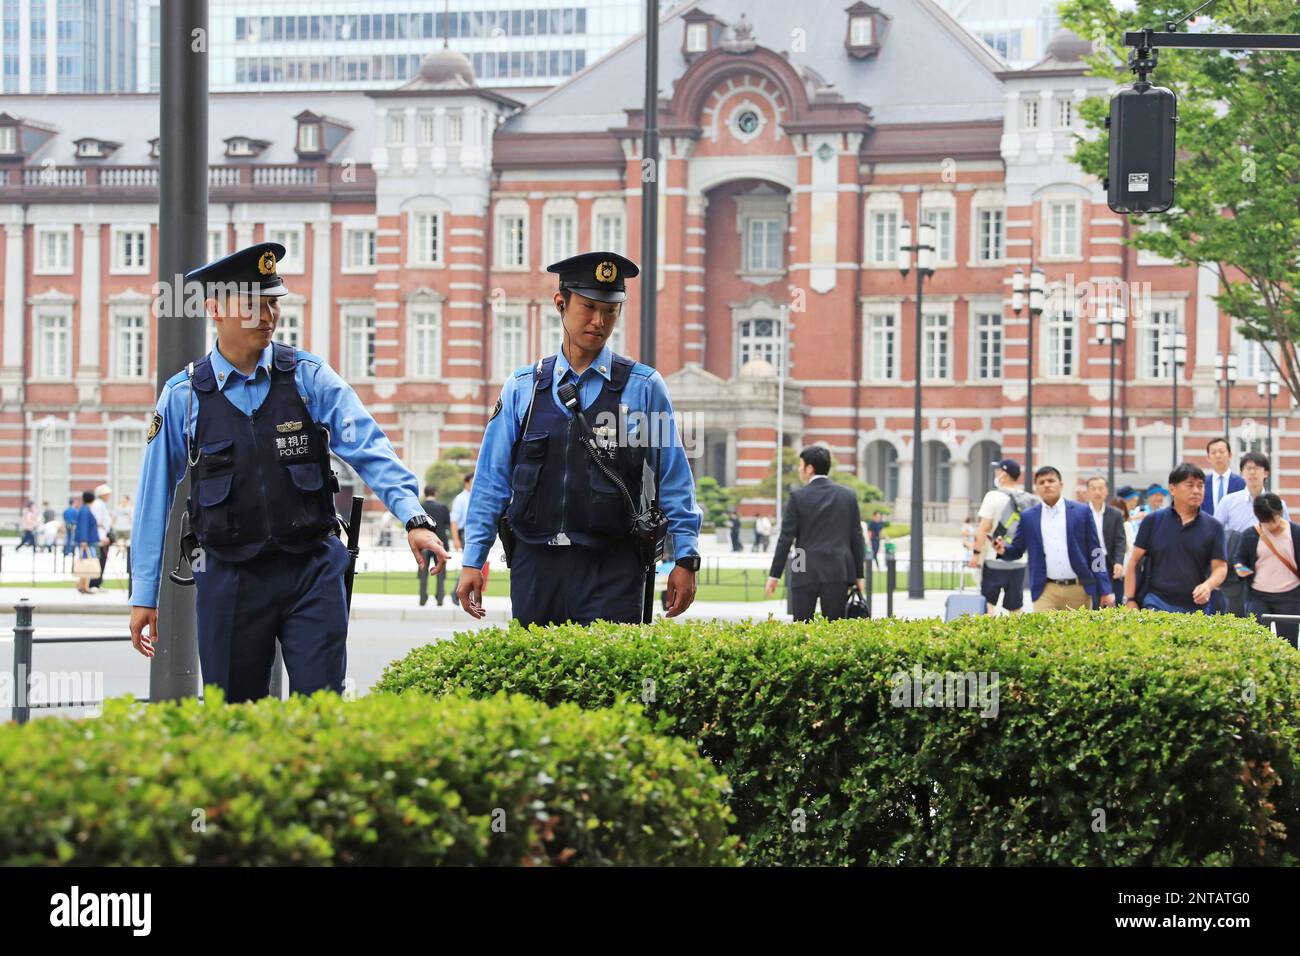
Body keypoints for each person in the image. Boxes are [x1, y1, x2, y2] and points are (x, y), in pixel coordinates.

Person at [127, 242, 447, 702]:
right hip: (230, 576)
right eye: (253, 303)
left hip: (310, 570)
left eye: (273, 301)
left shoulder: (309, 377)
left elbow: (371, 448)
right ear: (214, 307)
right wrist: (144, 594)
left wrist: (414, 518)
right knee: (236, 719)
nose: (267, 314)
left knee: (321, 711)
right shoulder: (183, 396)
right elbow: (153, 497)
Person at [456, 250, 701, 626]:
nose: (599, 321)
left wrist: (685, 558)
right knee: (536, 680)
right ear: (560, 303)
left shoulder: (644, 387)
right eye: (588, 307)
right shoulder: (524, 387)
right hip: (536, 567)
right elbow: (491, 481)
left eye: (610, 310)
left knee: (610, 683)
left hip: (614, 569)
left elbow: (674, 479)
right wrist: (474, 558)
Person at [764, 446, 866, 621]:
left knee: (802, 628)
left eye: (800, 465)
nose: (798, 469)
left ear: (809, 468)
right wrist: (859, 575)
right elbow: (857, 537)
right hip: (838, 568)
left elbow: (786, 538)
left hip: (802, 564)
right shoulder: (848, 496)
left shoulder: (797, 496)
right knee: (835, 630)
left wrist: (774, 575)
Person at [995, 466, 1114, 611]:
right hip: (1045, 590)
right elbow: (1017, 550)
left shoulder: (1081, 512)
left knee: (1078, 633)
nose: (1046, 485)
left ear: (1061, 485)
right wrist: (1002, 550)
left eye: (1051, 480)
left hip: (1078, 589)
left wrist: (1105, 589)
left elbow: (1096, 552)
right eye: (1041, 482)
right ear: (1036, 488)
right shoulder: (1028, 517)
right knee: (1043, 632)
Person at [1124, 462, 1227, 613]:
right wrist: (1130, 600)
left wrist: (1208, 585)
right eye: (1190, 485)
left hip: (1197, 608)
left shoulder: (1213, 527)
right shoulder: (1152, 521)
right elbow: (1133, 561)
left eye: (1200, 485)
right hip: (1156, 602)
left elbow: (1220, 567)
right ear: (1172, 489)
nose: (1196, 491)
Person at [1212, 450, 1286, 617]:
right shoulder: (1229, 502)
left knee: (1261, 618)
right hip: (1236, 570)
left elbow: (1285, 536)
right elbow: (1214, 536)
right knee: (1235, 616)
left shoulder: (1278, 504)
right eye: (1248, 468)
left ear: (1266, 472)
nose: (1252, 472)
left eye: (1257, 468)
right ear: (1242, 472)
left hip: (1267, 570)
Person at [969, 458, 1037, 613]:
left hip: (994, 559)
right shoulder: (1029, 499)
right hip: (1019, 560)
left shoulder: (993, 496)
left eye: (998, 471)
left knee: (988, 603)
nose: (996, 473)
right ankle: (1014, 636)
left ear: (1004, 475)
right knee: (1015, 605)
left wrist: (976, 554)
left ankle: (988, 634)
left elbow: (984, 527)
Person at [1233, 493, 1300, 647]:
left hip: (1290, 596)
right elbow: (1239, 558)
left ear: (1280, 512)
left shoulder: (1295, 533)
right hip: (1258, 596)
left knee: (1288, 644)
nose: (1270, 526)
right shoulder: (1251, 534)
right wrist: (1240, 568)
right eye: (1265, 522)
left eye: (1273, 521)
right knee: (1257, 643)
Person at [1086, 476, 1127, 604]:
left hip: (1109, 561)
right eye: (1093, 489)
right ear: (1088, 491)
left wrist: (1119, 562)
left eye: (1101, 488)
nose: (1097, 492)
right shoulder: (1081, 512)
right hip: (1089, 560)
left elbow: (1120, 541)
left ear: (1107, 491)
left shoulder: (1116, 514)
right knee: (1094, 601)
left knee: (1115, 602)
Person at [417, 484, 452, 607]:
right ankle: (440, 598)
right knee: (440, 574)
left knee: (423, 573)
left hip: (424, 544)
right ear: (435, 493)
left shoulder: (419, 507)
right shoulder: (443, 507)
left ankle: (422, 598)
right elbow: (447, 524)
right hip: (439, 544)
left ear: (425, 493)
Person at [1202, 436, 1245, 515]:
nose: (1218, 456)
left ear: (1230, 455)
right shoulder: (1202, 483)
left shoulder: (1241, 483)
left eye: (1221, 452)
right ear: (1208, 457)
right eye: (1213, 452)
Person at [448, 472, 472, 608]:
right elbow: (454, 521)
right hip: (465, 534)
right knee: (470, 565)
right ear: (467, 483)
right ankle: (457, 593)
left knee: (474, 566)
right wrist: (456, 539)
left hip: (474, 533)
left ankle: (465, 595)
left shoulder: (476, 497)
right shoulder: (460, 499)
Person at [73, 490, 99, 594]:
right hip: (86, 541)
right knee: (87, 563)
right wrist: (84, 540)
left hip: (87, 540)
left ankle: (82, 585)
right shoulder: (85, 511)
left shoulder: (84, 509)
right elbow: (83, 526)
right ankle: (84, 586)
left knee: (86, 563)